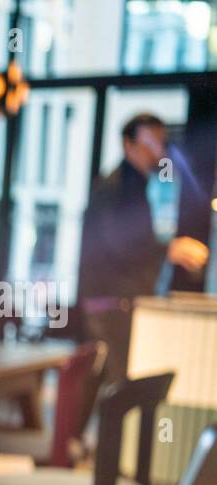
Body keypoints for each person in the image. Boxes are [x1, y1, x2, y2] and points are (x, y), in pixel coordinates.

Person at [79, 112, 210, 383]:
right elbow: (118, 241)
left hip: (116, 303)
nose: (158, 152)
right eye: (151, 145)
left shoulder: (135, 185)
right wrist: (169, 249)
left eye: (161, 144)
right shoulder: (116, 187)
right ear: (129, 145)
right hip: (112, 304)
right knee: (115, 388)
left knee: (112, 387)